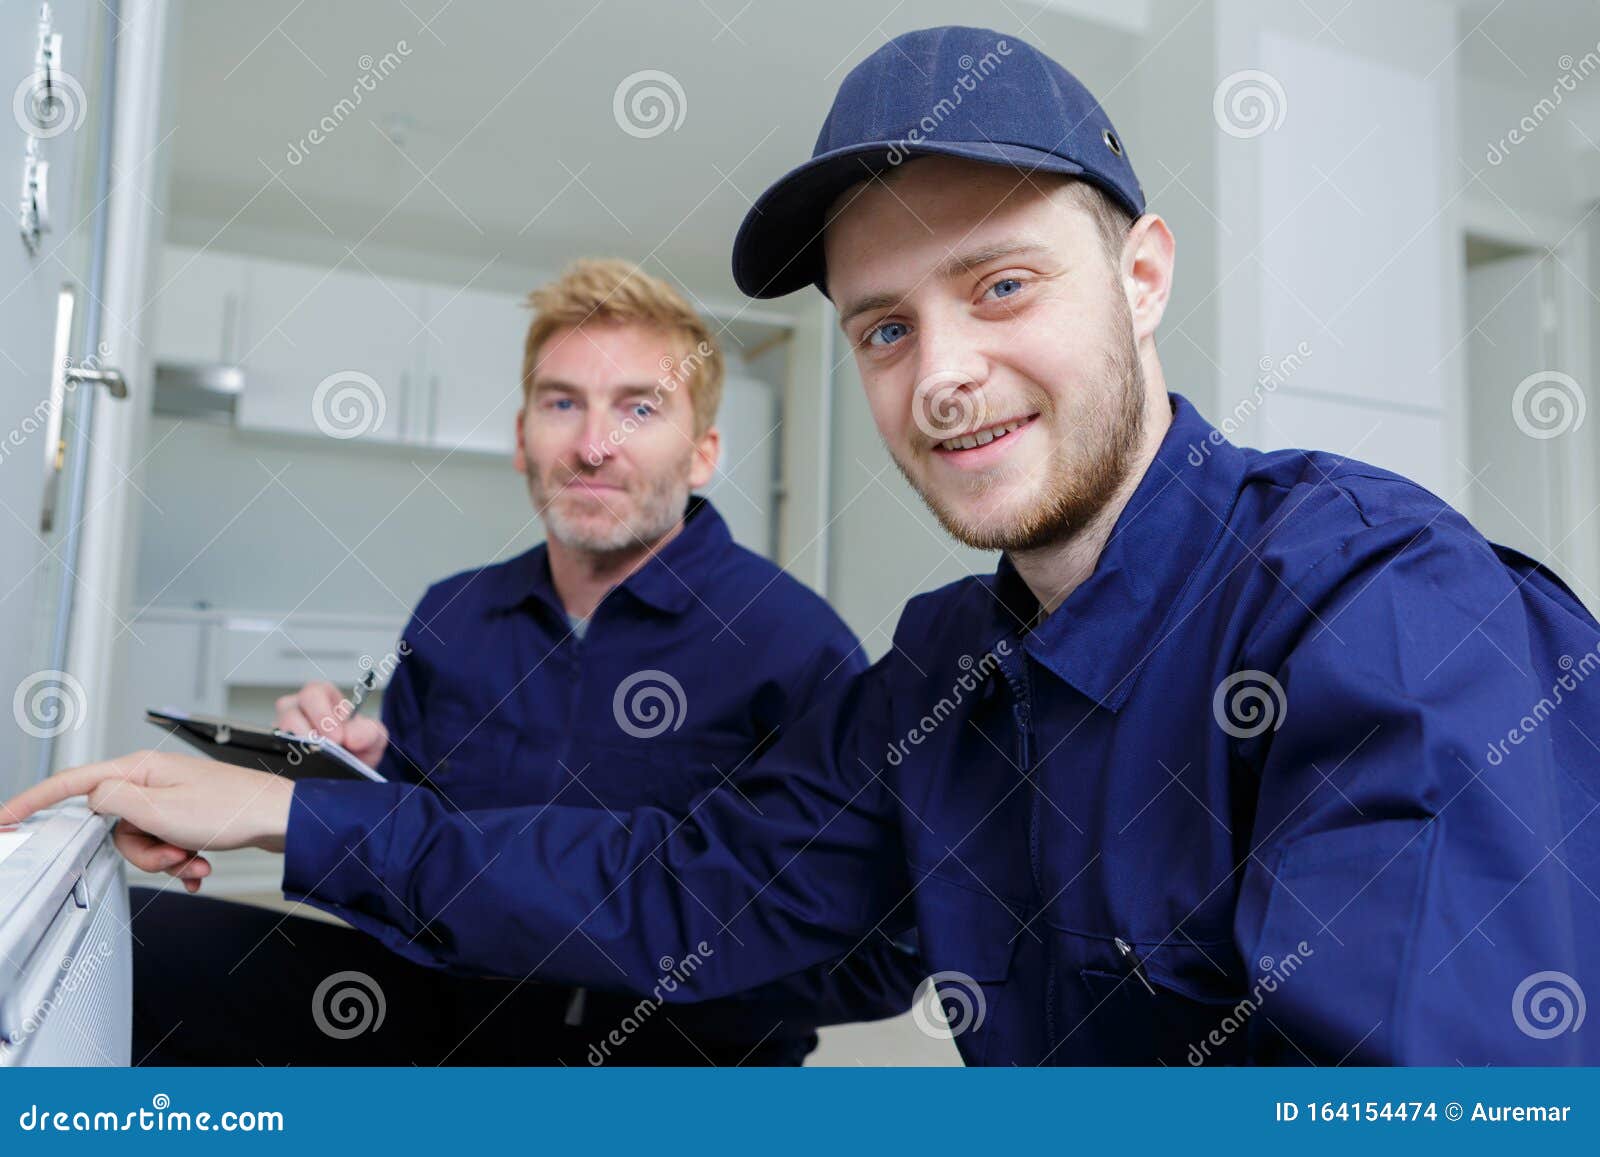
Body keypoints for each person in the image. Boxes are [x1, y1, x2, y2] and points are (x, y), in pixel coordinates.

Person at [11, 26, 1600, 1066]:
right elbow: (678, 890)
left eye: (1001, 286)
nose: (944, 375)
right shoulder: (943, 671)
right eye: (885, 327)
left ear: (1142, 278)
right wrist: (296, 815)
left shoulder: (1378, 607)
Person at [116, 257, 922, 1066]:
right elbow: (419, 832)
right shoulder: (455, 614)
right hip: (447, 1011)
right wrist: (355, 775)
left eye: (640, 407)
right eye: (562, 403)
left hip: (680, 1054)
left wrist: (640, 972)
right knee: (135, 940)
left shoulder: (793, 643)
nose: (593, 445)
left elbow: (872, 954)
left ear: (703, 452)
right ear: (520, 437)